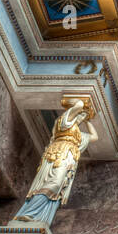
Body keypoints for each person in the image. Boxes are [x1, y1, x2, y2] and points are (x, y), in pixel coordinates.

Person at [12, 97, 97, 226]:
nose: (81, 117)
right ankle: (28, 213)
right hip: (58, 154)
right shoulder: (65, 122)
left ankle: (39, 218)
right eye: (80, 114)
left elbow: (95, 137)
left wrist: (88, 119)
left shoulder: (78, 135)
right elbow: (79, 104)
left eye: (83, 116)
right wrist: (74, 104)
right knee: (54, 184)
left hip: (70, 157)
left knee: (57, 189)